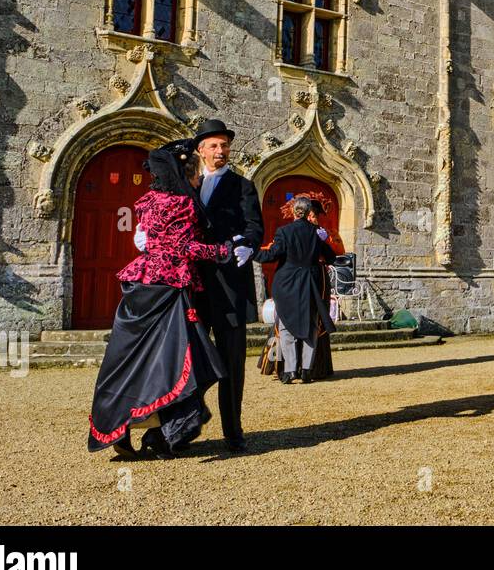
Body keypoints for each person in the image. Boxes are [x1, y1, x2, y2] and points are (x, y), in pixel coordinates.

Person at [88, 140, 245, 458]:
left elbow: (149, 240)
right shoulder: (182, 203)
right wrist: (222, 250)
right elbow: (182, 247)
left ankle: (123, 426)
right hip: (170, 288)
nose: (200, 180)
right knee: (170, 362)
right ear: (186, 173)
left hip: (140, 282)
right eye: (197, 173)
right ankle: (165, 431)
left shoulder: (148, 200)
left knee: (132, 359)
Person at [189, 119, 263, 452]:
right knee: (188, 355)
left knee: (232, 361)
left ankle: (233, 431)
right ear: (201, 150)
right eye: (215, 145)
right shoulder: (187, 184)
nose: (222, 151)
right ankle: (184, 423)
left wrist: (249, 244)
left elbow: (255, 226)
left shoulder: (242, 186)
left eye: (225, 145)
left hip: (230, 286)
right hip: (193, 285)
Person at [253, 197, 338, 384]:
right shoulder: (317, 233)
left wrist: (252, 252)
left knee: (285, 327)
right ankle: (307, 370)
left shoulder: (284, 231)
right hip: (311, 283)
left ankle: (291, 370)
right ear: (309, 213)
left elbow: (271, 255)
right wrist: (324, 242)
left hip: (288, 283)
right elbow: (331, 258)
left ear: (293, 212)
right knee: (311, 327)